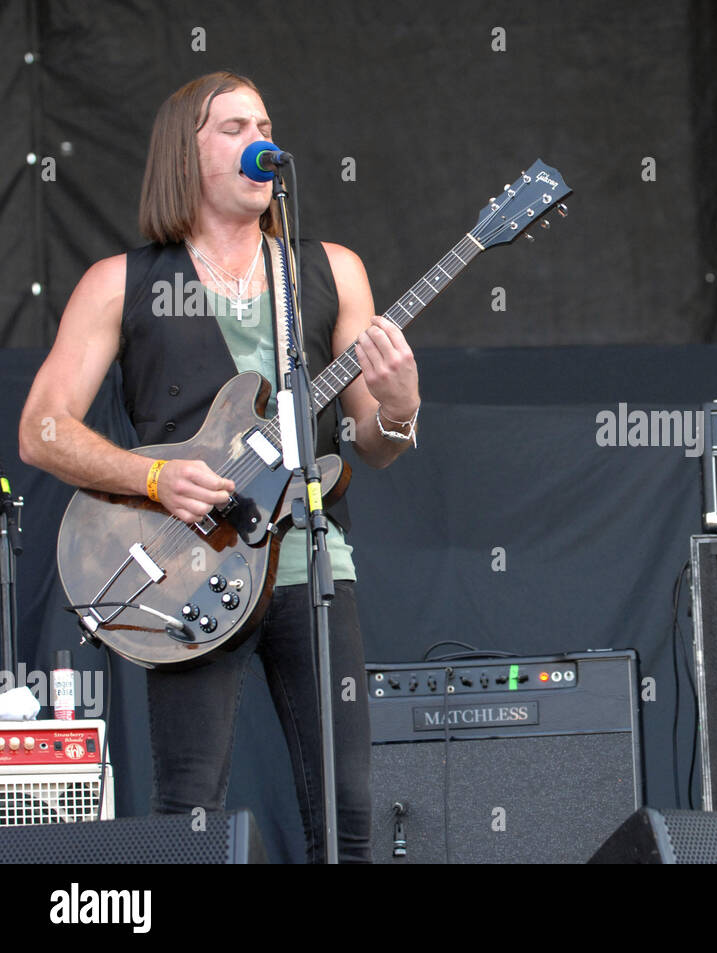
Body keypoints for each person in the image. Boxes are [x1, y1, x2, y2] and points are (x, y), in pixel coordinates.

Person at [18, 72, 421, 862]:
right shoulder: (120, 283)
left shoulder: (330, 270)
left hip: (312, 563)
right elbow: (41, 430)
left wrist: (400, 407)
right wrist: (154, 479)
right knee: (189, 808)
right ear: (186, 152)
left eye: (265, 122)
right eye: (234, 126)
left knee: (347, 818)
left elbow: (371, 441)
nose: (259, 138)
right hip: (185, 569)